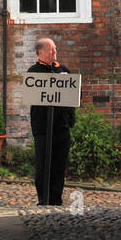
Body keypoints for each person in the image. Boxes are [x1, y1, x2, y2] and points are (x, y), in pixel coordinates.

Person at [27, 36, 75, 206]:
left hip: (62, 125)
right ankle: (43, 198)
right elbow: (32, 94)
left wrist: (65, 81)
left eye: (55, 49)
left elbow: (76, 96)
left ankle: (56, 198)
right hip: (43, 126)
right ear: (40, 52)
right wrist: (56, 81)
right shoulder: (33, 72)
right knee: (43, 164)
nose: (54, 52)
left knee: (59, 165)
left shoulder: (63, 69)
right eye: (50, 50)